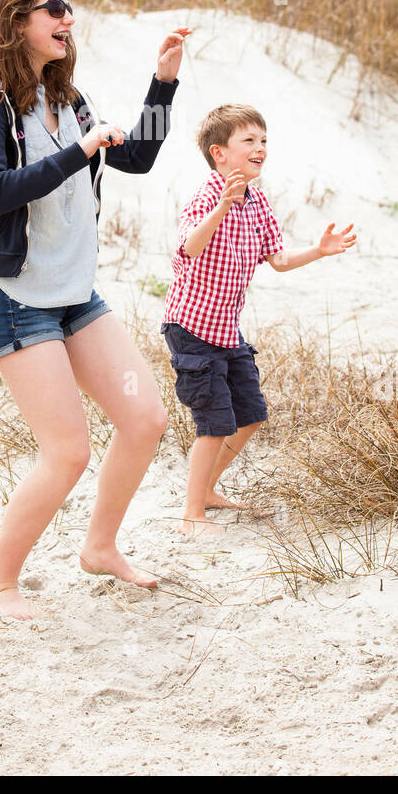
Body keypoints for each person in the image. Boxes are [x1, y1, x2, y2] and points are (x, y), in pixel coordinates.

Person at [0, 0, 190, 619]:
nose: (68, 19)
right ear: (17, 18)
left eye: (69, 9)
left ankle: (100, 546)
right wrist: (78, 152)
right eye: (53, 8)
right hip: (15, 300)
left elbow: (135, 155)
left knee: (144, 421)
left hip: (74, 298)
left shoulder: (68, 97)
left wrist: (162, 85)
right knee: (67, 452)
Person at [161, 104, 357, 536]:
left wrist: (319, 250)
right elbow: (190, 247)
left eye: (264, 140)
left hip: (226, 331)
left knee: (250, 414)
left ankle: (209, 489)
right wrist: (222, 206)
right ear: (220, 153)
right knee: (214, 422)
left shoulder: (258, 199)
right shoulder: (208, 194)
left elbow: (280, 259)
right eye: (248, 140)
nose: (260, 148)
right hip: (191, 327)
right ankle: (192, 513)